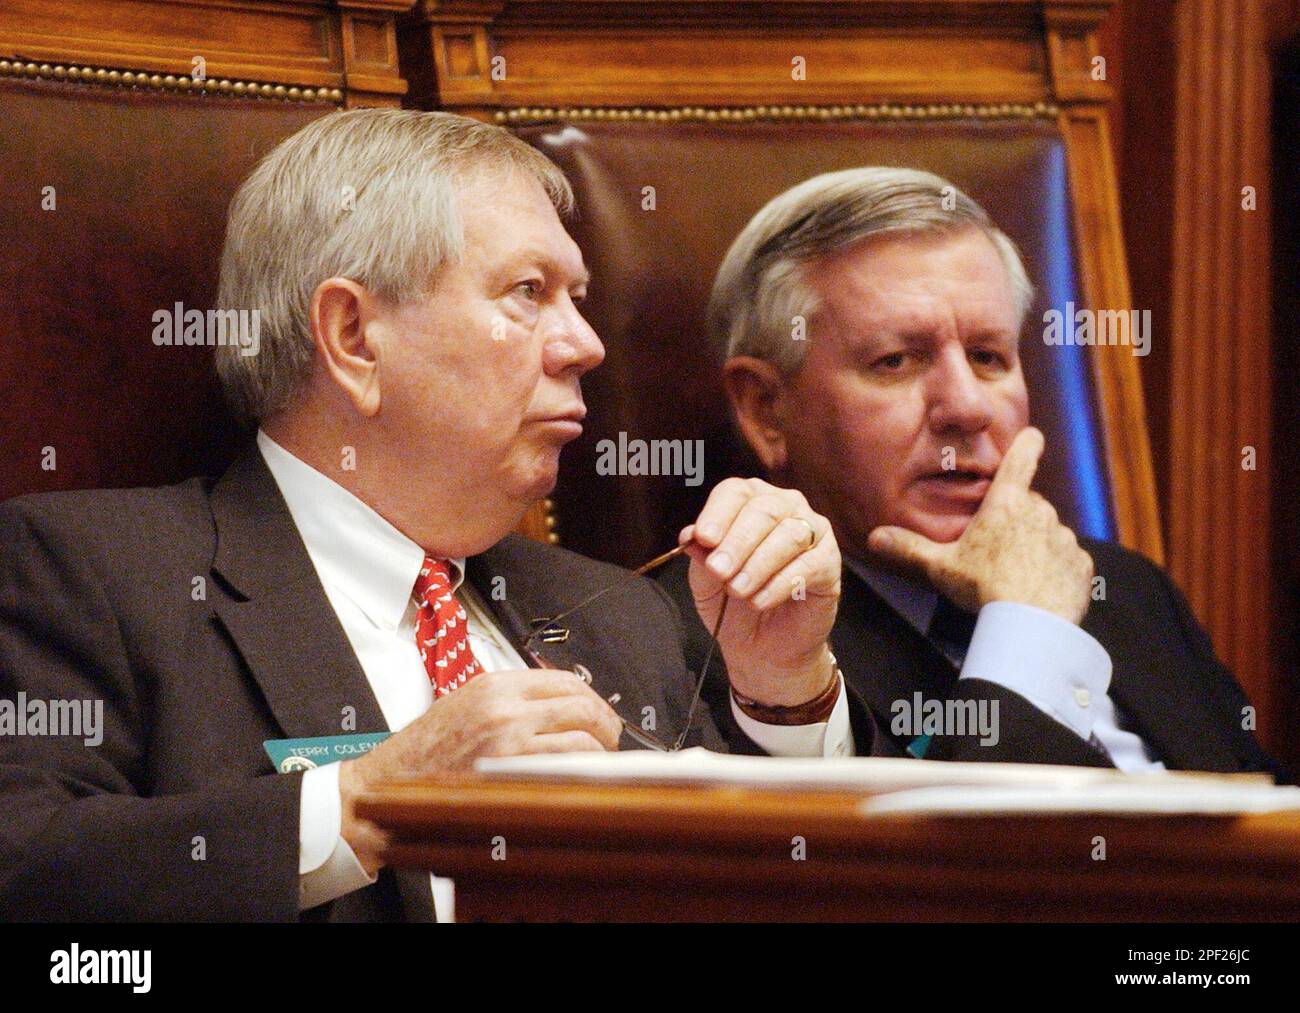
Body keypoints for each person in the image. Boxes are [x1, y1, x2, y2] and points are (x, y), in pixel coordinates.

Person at [0, 110, 855, 923]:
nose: (586, 343)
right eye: (529, 291)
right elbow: (28, 870)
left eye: (578, 295)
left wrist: (782, 689)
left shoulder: (620, 613)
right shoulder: (96, 573)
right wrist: (372, 800)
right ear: (353, 335)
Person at [663, 166, 1283, 777]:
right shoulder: (717, 636)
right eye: (896, 360)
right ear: (766, 409)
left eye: (988, 357)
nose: (966, 407)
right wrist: (1028, 630)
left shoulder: (1124, 589)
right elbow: (976, 871)